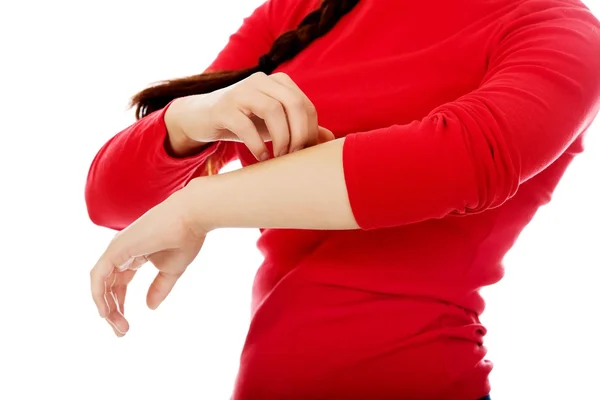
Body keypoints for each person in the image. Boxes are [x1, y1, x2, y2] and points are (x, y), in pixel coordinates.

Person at [85, 0, 600, 398]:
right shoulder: (301, 10)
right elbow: (111, 203)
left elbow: (462, 158)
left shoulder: (559, 30)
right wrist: (188, 118)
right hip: (265, 377)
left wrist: (198, 206)